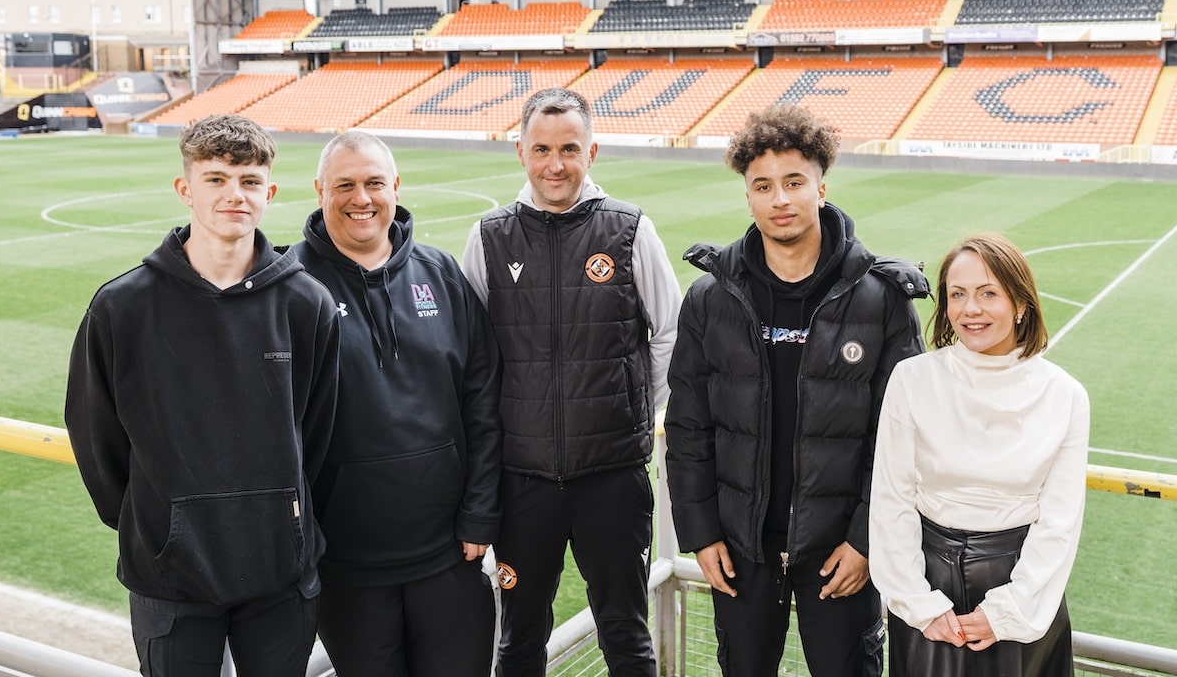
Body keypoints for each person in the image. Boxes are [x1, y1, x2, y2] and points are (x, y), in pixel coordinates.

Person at [64, 114, 341, 677]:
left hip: (278, 576)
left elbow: (318, 435)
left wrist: (284, 522)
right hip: (171, 581)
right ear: (185, 189)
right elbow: (97, 440)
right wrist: (162, 529)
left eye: (248, 180)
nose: (233, 195)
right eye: (215, 179)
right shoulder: (122, 307)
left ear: (270, 191)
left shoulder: (306, 304)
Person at [664, 102, 930, 676]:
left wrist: (866, 541)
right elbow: (688, 425)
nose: (779, 199)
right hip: (741, 549)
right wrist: (702, 531)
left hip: (839, 553)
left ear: (821, 188)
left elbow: (903, 437)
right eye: (763, 186)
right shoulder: (710, 297)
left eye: (793, 182)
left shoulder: (881, 299)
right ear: (747, 196)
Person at [461, 86, 682, 677]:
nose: (554, 165)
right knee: (517, 642)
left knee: (626, 636)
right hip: (522, 481)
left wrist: (636, 410)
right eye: (541, 149)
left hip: (611, 478)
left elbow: (669, 334)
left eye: (568, 149)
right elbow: (471, 354)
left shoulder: (630, 229)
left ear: (592, 151)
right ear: (520, 152)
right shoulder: (489, 237)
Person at [292, 130, 502, 677]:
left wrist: (480, 513)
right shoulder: (289, 286)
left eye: (373, 183)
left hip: (450, 556)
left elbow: (483, 399)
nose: (361, 198)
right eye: (345, 185)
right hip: (346, 567)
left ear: (395, 188)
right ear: (320, 191)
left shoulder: (442, 274)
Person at [869, 233, 1089, 676]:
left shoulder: (1064, 395)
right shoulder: (912, 379)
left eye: (989, 293)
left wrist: (1009, 611)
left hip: (1023, 588)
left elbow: (1060, 522)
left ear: (1021, 304)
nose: (971, 309)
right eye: (958, 294)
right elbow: (892, 499)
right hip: (929, 591)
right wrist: (918, 602)